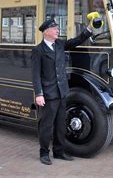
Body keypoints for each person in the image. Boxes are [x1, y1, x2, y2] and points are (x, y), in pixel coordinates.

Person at [31, 15, 96, 165]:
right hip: (48, 94)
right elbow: (35, 74)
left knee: (60, 124)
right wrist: (39, 94)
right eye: (54, 29)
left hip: (62, 92)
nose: (57, 31)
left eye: (57, 28)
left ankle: (59, 152)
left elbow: (76, 41)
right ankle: (44, 153)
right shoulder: (38, 50)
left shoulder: (59, 44)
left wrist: (89, 28)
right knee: (46, 126)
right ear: (46, 32)